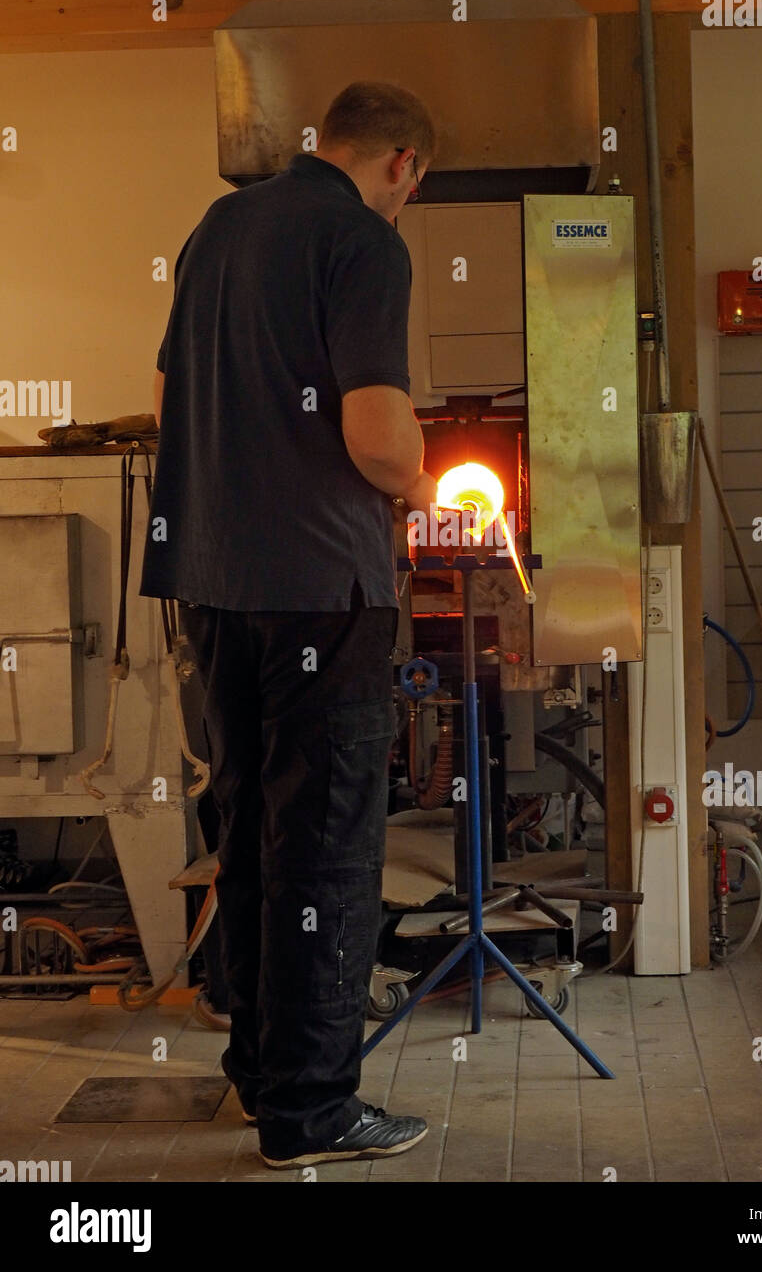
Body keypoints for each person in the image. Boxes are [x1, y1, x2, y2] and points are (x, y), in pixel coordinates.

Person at [140, 81, 439, 1168]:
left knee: (255, 836)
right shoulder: (362, 240)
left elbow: (173, 407)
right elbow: (377, 438)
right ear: (402, 163)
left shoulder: (221, 225)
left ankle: (262, 1076)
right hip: (321, 587)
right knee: (321, 847)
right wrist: (419, 486)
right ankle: (310, 1114)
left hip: (215, 583)